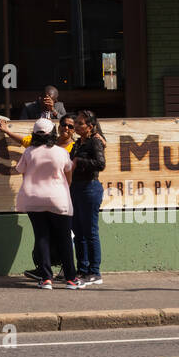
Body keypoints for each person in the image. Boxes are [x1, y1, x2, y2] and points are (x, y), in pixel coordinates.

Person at [0, 115, 77, 281]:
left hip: (33, 199)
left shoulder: (29, 152)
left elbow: (23, 172)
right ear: (53, 132)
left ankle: (46, 277)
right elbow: (68, 175)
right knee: (64, 238)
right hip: (58, 198)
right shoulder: (61, 152)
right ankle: (71, 278)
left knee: (42, 236)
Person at [70, 110, 107, 287]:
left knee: (90, 230)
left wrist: (80, 162)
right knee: (78, 231)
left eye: (79, 123)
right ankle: (82, 270)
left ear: (90, 127)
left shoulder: (94, 142)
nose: (76, 126)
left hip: (90, 188)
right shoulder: (78, 143)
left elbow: (101, 164)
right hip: (76, 188)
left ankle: (95, 271)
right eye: (75, 123)